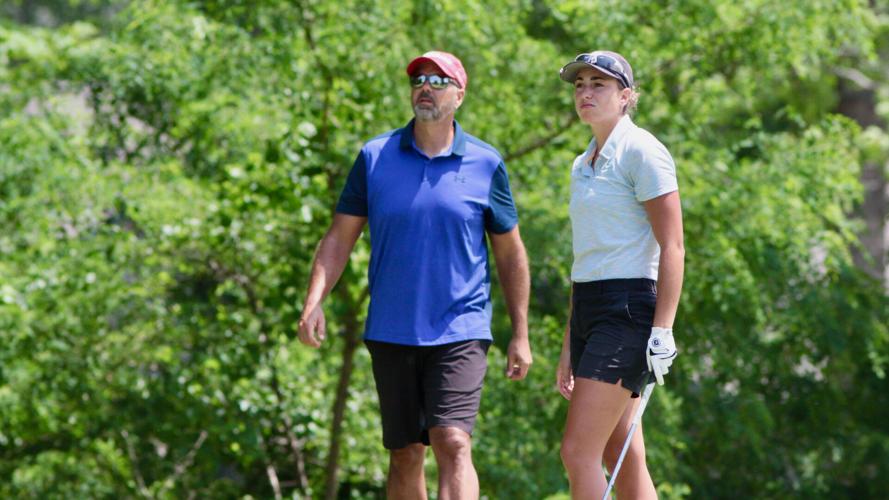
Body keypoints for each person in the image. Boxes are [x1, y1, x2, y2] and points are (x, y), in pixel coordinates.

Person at [298, 50, 532, 500]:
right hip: (391, 327)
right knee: (405, 452)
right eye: (419, 79)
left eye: (439, 80)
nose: (426, 86)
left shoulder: (485, 164)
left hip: (460, 326)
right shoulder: (375, 156)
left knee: (453, 441)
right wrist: (314, 301)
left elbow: (510, 254)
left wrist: (520, 332)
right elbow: (338, 238)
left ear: (460, 96)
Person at [554, 51, 684, 499]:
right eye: (579, 84)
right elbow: (585, 258)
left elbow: (674, 245)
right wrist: (570, 343)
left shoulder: (642, 151)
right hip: (590, 308)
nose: (586, 93)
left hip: (628, 311)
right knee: (619, 450)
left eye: (599, 85)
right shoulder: (581, 163)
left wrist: (663, 328)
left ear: (626, 96)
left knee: (576, 452)